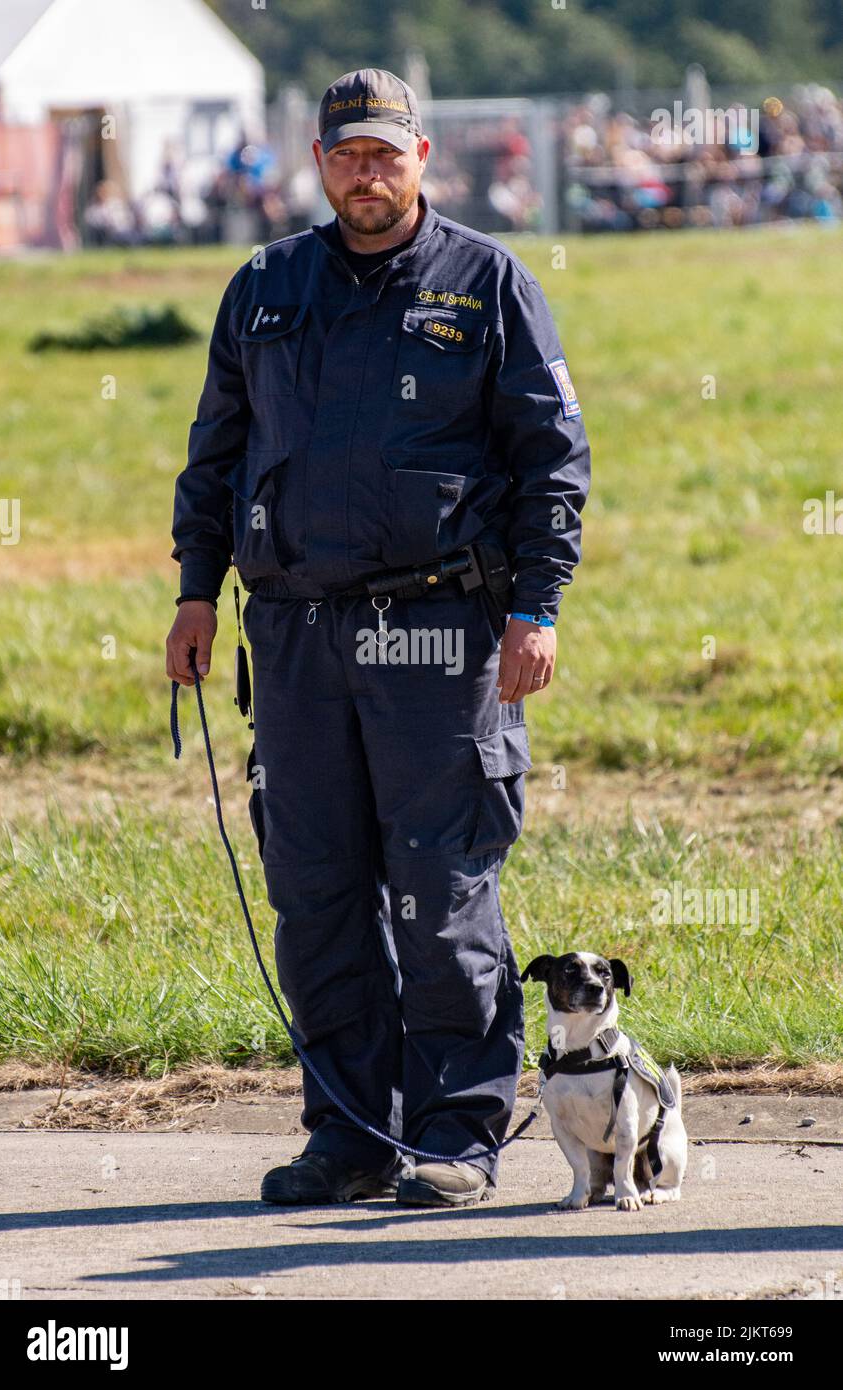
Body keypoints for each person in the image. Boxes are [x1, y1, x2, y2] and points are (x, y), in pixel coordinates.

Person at [167, 69, 591, 1209]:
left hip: (440, 635)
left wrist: (537, 607)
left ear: (420, 159)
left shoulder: (486, 283)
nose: (367, 174)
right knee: (317, 891)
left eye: (386, 154)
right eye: (348, 155)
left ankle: (455, 1134)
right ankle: (350, 1135)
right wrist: (196, 591)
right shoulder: (266, 286)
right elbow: (216, 449)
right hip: (295, 637)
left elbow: (552, 459)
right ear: (318, 162)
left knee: (440, 884)